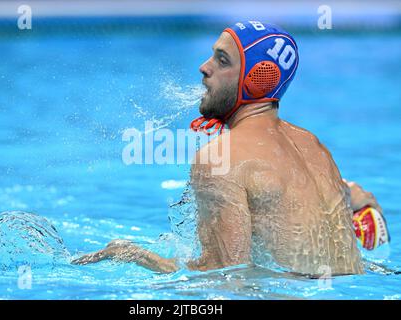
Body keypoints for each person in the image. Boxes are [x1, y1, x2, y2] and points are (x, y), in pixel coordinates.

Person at [71, 20, 388, 276]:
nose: (203, 67)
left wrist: (130, 253)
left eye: (221, 60)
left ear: (257, 80)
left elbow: (223, 282)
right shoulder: (313, 145)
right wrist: (356, 202)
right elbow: (343, 204)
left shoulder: (219, 159)